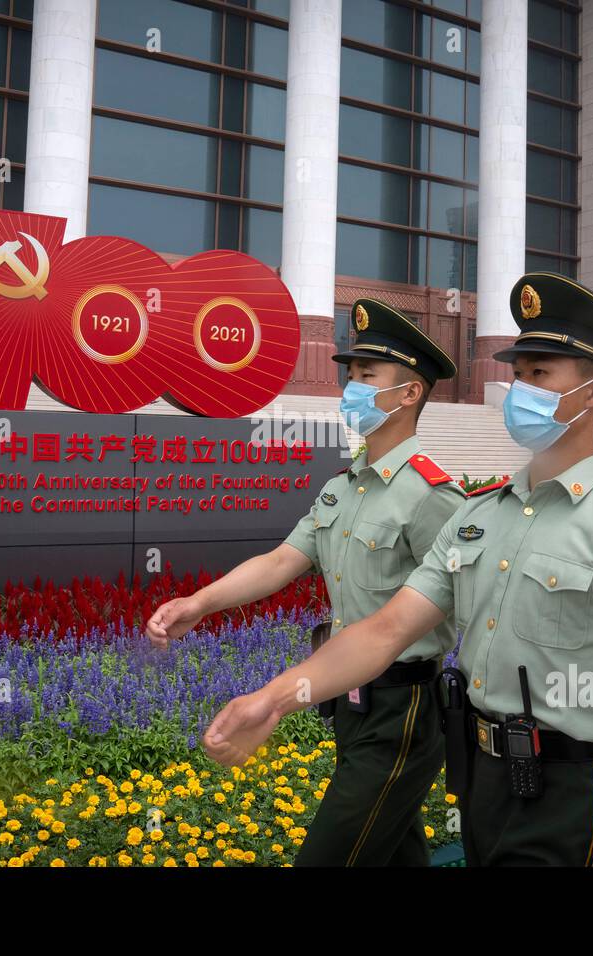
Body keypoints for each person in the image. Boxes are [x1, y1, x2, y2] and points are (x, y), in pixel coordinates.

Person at [202, 273, 593, 867]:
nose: (518, 388)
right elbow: (386, 629)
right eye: (517, 373)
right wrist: (276, 698)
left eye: (539, 374)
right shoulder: (478, 517)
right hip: (481, 782)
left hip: (567, 794)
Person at [147, 298, 465, 866]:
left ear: (409, 393)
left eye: (368, 376)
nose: (351, 387)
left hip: (403, 708)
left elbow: (453, 605)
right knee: (393, 852)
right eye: (351, 375)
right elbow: (280, 561)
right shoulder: (343, 487)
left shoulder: (433, 496)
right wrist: (200, 603)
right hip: (347, 700)